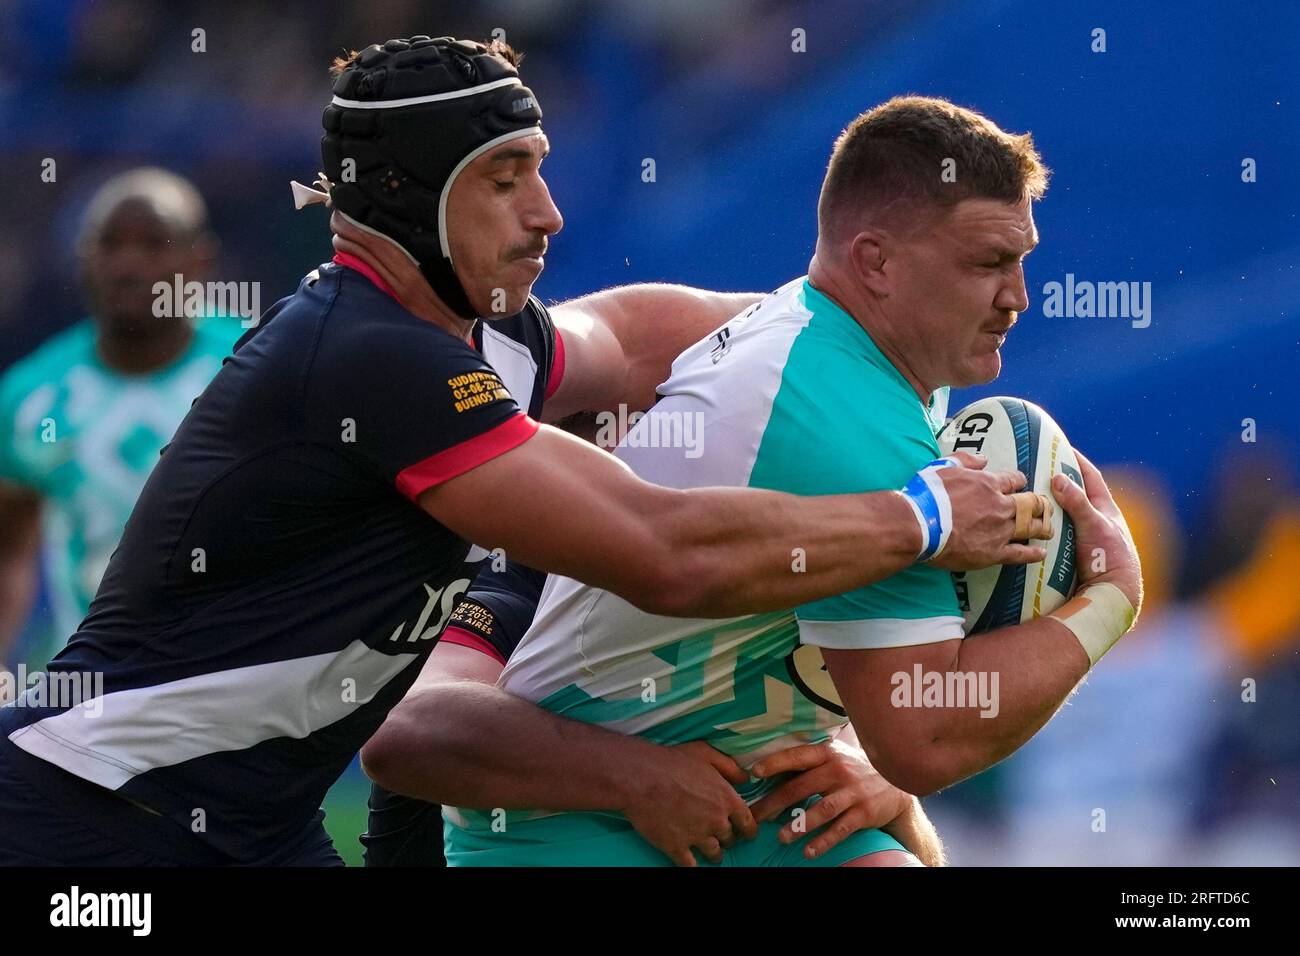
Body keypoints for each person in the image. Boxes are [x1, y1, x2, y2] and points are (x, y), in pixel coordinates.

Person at [0, 41, 1046, 867]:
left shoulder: (479, 334)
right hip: (88, 815)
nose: (549, 213)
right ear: (410, 194)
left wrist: (850, 348)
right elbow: (665, 549)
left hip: (255, 824)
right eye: (507, 179)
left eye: (539, 172)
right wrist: (926, 512)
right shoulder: (371, 355)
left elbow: (632, 334)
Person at [365, 95, 1144, 867]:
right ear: (875, 261)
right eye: (989, 263)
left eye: (1022, 259)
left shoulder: (846, 350)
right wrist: (1110, 602)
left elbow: (625, 338)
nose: (1019, 297)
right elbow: (928, 735)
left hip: (761, 795)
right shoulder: (840, 419)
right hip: (567, 835)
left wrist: (876, 774)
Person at [0, 168, 235, 675]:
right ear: (84, 259)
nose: (129, 264)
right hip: (81, 697)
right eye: (110, 244)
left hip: (226, 683)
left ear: (200, 259)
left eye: (154, 244)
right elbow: (7, 549)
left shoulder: (253, 368)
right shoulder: (32, 397)